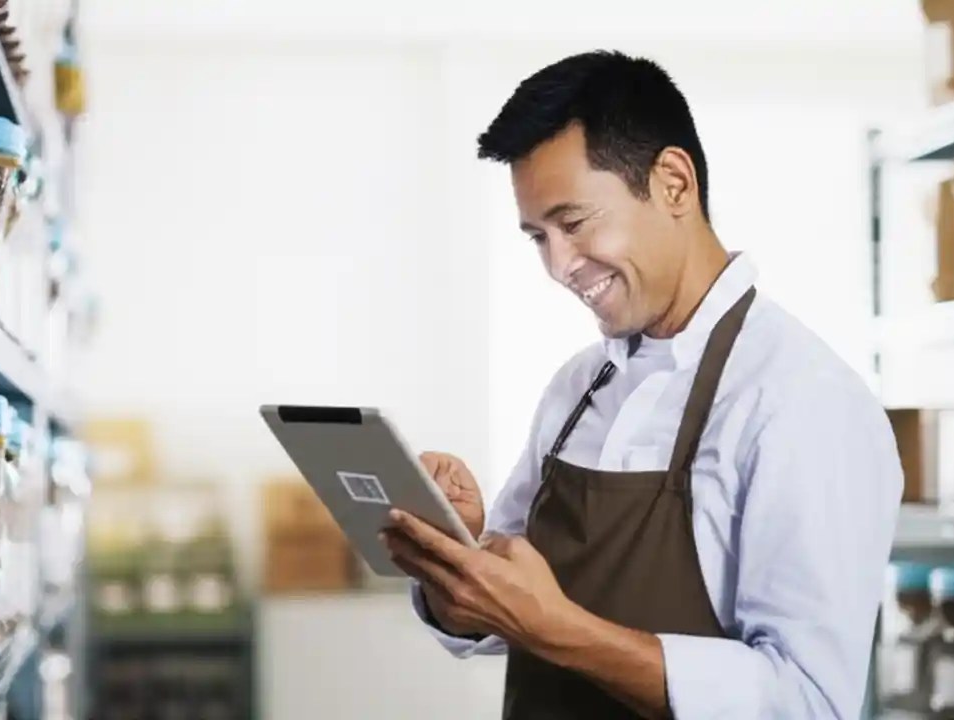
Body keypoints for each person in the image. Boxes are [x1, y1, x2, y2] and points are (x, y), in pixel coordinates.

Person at [382, 50, 903, 719]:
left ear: (674, 184)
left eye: (573, 223)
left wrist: (560, 632)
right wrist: (457, 551)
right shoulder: (578, 387)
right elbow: (498, 612)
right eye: (537, 237)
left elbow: (806, 702)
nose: (559, 265)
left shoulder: (804, 402)